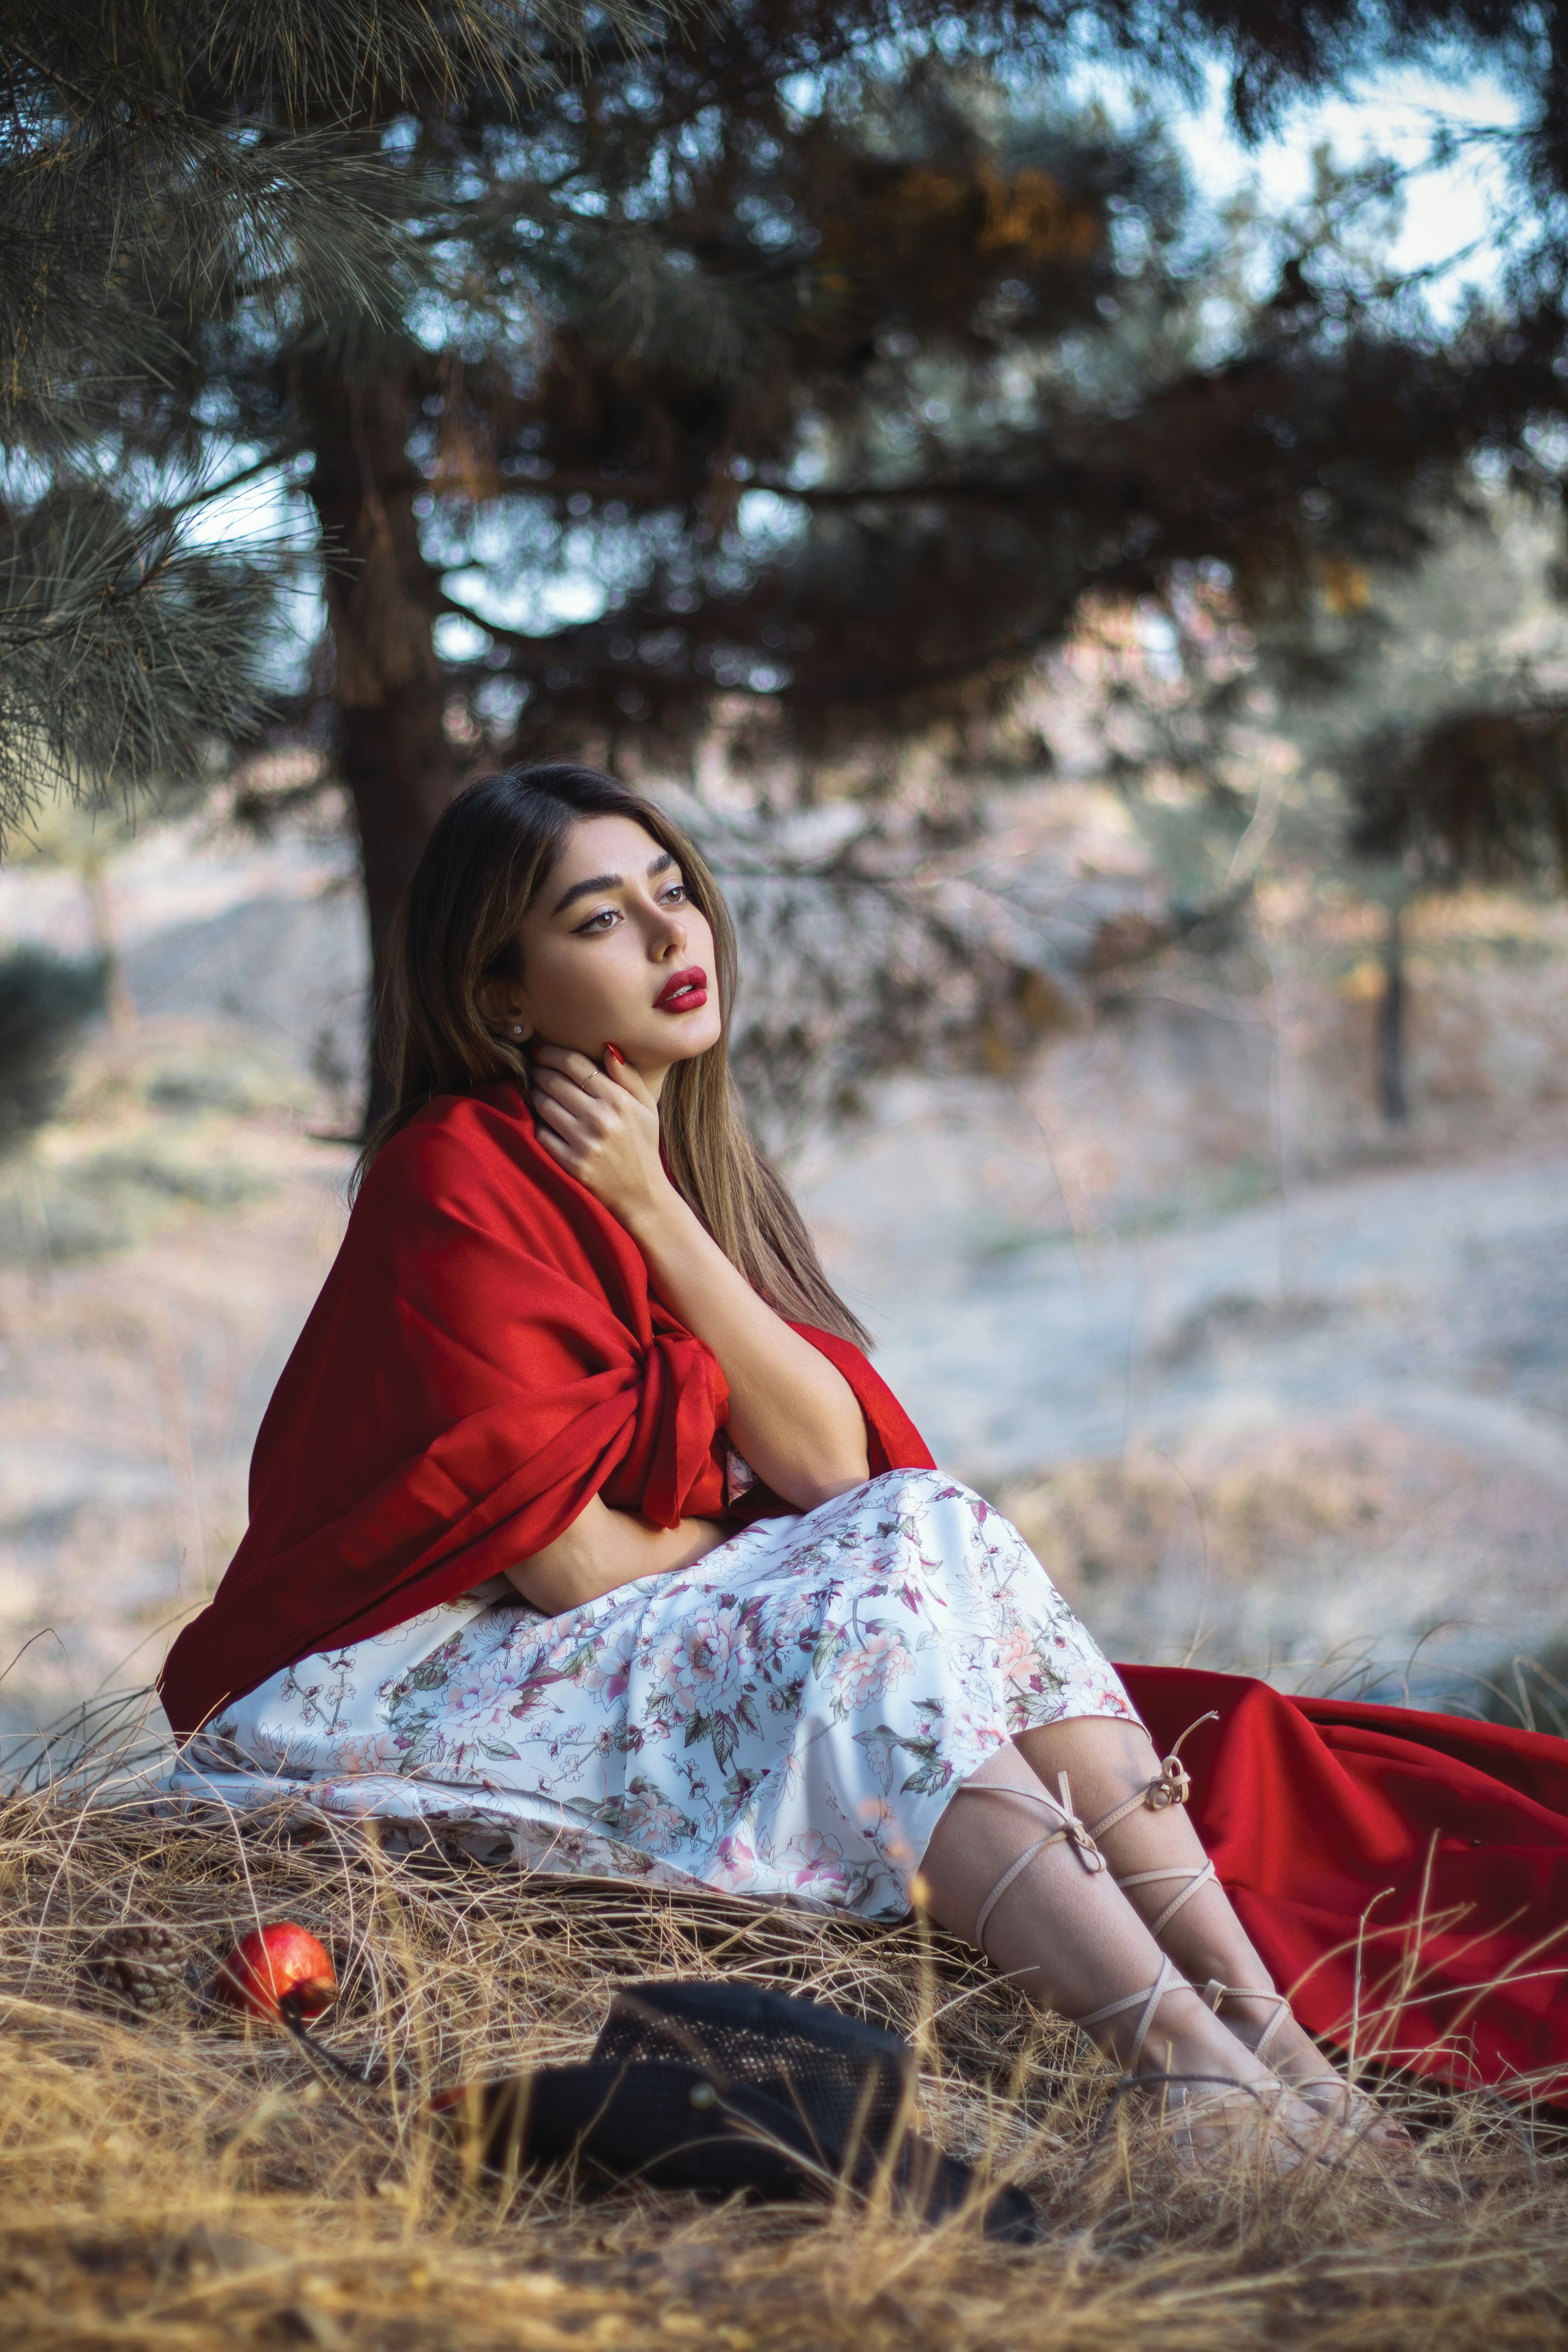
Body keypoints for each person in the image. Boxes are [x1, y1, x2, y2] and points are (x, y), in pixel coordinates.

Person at [161, 764, 1404, 2171]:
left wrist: (651, 1206)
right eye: (600, 919)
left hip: (572, 1635)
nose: (669, 935)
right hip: (387, 1692)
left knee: (929, 1525)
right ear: (505, 994)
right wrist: (755, 1554)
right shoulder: (448, 1172)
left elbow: (829, 1467)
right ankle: (1185, 2071)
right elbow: (566, 1561)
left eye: (672, 893)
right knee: (861, 1606)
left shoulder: (665, 1161)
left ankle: (1279, 2057)